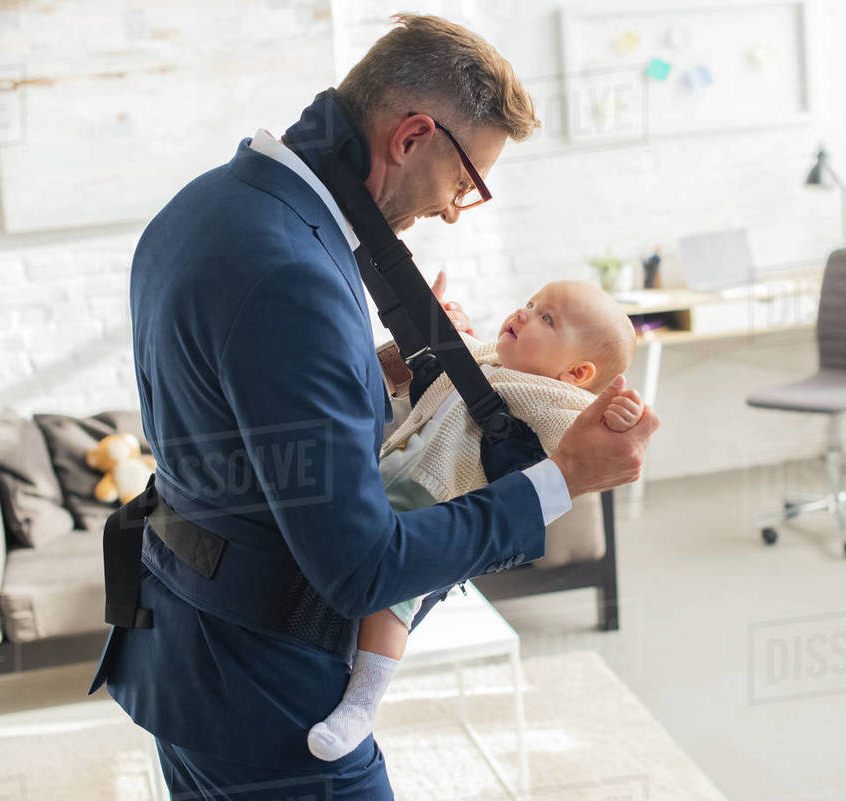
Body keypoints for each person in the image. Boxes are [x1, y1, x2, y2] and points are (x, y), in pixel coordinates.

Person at [89, 14, 659, 800]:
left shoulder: (208, 206)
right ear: (412, 136)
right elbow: (364, 568)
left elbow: (235, 401)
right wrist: (563, 478)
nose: (458, 210)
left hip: (187, 660)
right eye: (466, 183)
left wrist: (366, 366)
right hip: (268, 704)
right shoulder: (293, 269)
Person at [309, 280, 644, 761]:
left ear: (576, 373)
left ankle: (360, 705)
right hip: (384, 473)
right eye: (531, 303)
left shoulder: (551, 397)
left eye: (547, 319)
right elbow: (447, 351)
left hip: (434, 503)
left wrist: (613, 418)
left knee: (391, 603)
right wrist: (439, 320)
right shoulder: (491, 355)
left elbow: (580, 440)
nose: (525, 313)